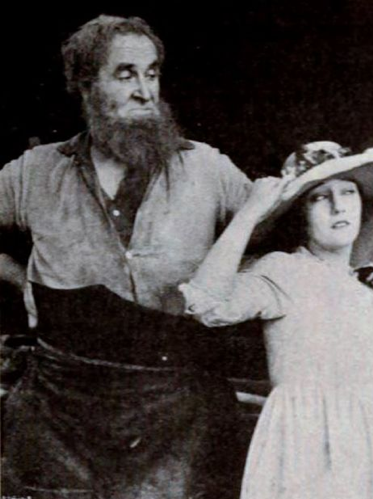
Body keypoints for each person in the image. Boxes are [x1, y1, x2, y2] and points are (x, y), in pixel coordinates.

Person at [0, 15, 251, 498]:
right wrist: (16, 276)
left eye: (152, 73)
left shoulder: (207, 168)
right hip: (60, 416)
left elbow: (286, 234)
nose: (145, 91)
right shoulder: (35, 172)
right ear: (86, 85)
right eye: (125, 74)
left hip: (180, 417)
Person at [180, 141, 373, 499]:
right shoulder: (284, 270)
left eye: (348, 192)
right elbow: (207, 304)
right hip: (305, 453)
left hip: (372, 456)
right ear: (300, 216)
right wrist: (249, 214)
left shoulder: (371, 299)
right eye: (319, 197)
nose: (339, 206)